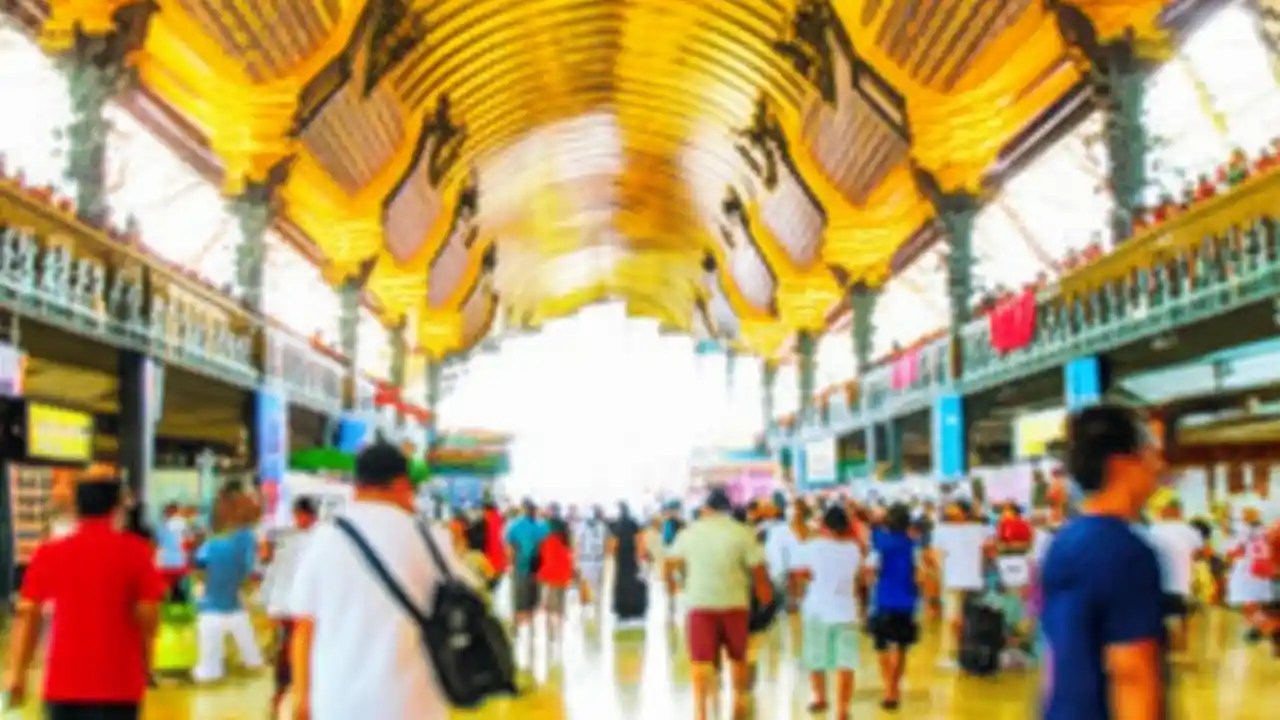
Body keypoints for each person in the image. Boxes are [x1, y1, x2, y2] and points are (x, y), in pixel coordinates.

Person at [288, 443, 474, 720]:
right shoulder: (431, 538)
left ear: (357, 485)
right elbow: (468, 597)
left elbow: (303, 628)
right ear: (401, 484)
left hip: (338, 702)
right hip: (414, 703)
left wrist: (302, 697)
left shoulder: (324, 538)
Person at [1041, 405, 1167, 720]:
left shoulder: (1064, 541)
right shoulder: (1125, 551)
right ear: (1122, 463)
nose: (1159, 465)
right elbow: (1132, 674)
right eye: (1150, 453)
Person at [4, 477, 165, 720]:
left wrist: (17, 674)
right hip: (120, 684)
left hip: (64, 683)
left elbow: (28, 616)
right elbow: (148, 616)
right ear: (118, 508)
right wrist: (146, 663)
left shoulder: (49, 553)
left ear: (76, 509)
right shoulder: (137, 552)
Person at [665, 489, 773, 720]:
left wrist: (676, 586)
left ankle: (701, 711)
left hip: (700, 604)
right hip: (735, 604)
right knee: (738, 657)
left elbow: (670, 564)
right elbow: (758, 569)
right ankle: (738, 702)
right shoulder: (742, 532)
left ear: (706, 509)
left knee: (701, 660)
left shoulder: (689, 533)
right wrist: (766, 598)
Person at [792, 506, 863, 720]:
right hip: (846, 611)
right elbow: (859, 576)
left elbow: (799, 572)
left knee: (816, 657)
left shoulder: (813, 547)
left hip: (817, 610)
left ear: (824, 526)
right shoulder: (854, 549)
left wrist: (815, 576)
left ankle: (820, 697)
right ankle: (842, 709)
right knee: (846, 661)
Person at [193, 484, 265, 683]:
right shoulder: (245, 538)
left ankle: (215, 668)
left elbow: (199, 570)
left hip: (212, 606)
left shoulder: (212, 545)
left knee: (209, 663)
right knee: (250, 652)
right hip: (234, 603)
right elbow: (249, 569)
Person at [261, 497, 319, 713]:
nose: (298, 519)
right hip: (287, 608)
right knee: (286, 654)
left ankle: (299, 698)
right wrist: (270, 604)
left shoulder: (318, 540)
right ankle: (281, 695)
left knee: (301, 654)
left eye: (300, 515)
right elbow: (275, 573)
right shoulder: (289, 540)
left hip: (305, 610)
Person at [869, 503, 919, 711]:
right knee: (900, 646)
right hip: (906, 600)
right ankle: (894, 688)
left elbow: (871, 569)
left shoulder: (879, 540)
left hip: (882, 599)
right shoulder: (912, 544)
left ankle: (887, 687)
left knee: (881, 645)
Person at [932, 500, 988, 665]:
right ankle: (964, 651)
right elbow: (989, 550)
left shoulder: (942, 530)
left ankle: (953, 653)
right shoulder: (980, 530)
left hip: (954, 578)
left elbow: (937, 556)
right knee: (965, 617)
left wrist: (942, 572)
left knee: (953, 618)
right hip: (970, 578)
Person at [1147, 500, 1203, 658]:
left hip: (1158, 581)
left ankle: (1165, 647)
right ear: (1178, 511)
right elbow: (1199, 553)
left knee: (1162, 615)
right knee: (1181, 615)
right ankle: (1182, 646)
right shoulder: (1188, 530)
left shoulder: (1153, 529)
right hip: (1182, 581)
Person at [505, 499, 550, 640]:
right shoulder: (541, 526)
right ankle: (527, 632)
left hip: (524, 567)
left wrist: (511, 564)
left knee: (521, 600)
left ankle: (519, 630)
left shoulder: (515, 526)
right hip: (533, 568)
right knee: (531, 600)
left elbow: (511, 547)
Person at [609, 503, 648, 629]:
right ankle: (635, 609)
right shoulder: (634, 523)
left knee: (621, 583)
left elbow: (613, 546)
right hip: (632, 560)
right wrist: (641, 556)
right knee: (633, 581)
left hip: (620, 561)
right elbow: (639, 541)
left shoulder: (616, 525)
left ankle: (622, 610)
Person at [537, 518, 576, 644]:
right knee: (560, 606)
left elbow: (542, 557)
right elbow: (570, 558)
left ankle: (550, 634)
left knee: (549, 607)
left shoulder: (548, 540)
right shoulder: (567, 541)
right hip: (563, 577)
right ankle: (560, 632)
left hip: (550, 577)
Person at [574, 506, 609, 614]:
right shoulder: (599, 527)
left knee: (595, 589)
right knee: (590, 589)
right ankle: (590, 609)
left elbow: (578, 545)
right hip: (590, 560)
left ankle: (594, 609)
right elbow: (578, 545)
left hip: (592, 560)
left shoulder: (600, 527)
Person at [155, 502, 191, 603]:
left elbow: (158, 542)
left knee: (165, 590)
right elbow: (188, 541)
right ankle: (178, 603)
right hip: (178, 562)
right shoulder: (183, 524)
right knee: (178, 588)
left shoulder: (162, 525)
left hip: (166, 563)